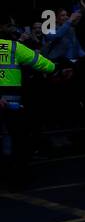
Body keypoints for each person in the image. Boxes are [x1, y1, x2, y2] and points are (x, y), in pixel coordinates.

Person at [0, 21, 58, 185]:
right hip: (12, 99)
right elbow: (44, 64)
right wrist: (56, 68)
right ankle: (15, 178)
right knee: (15, 139)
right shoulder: (14, 47)